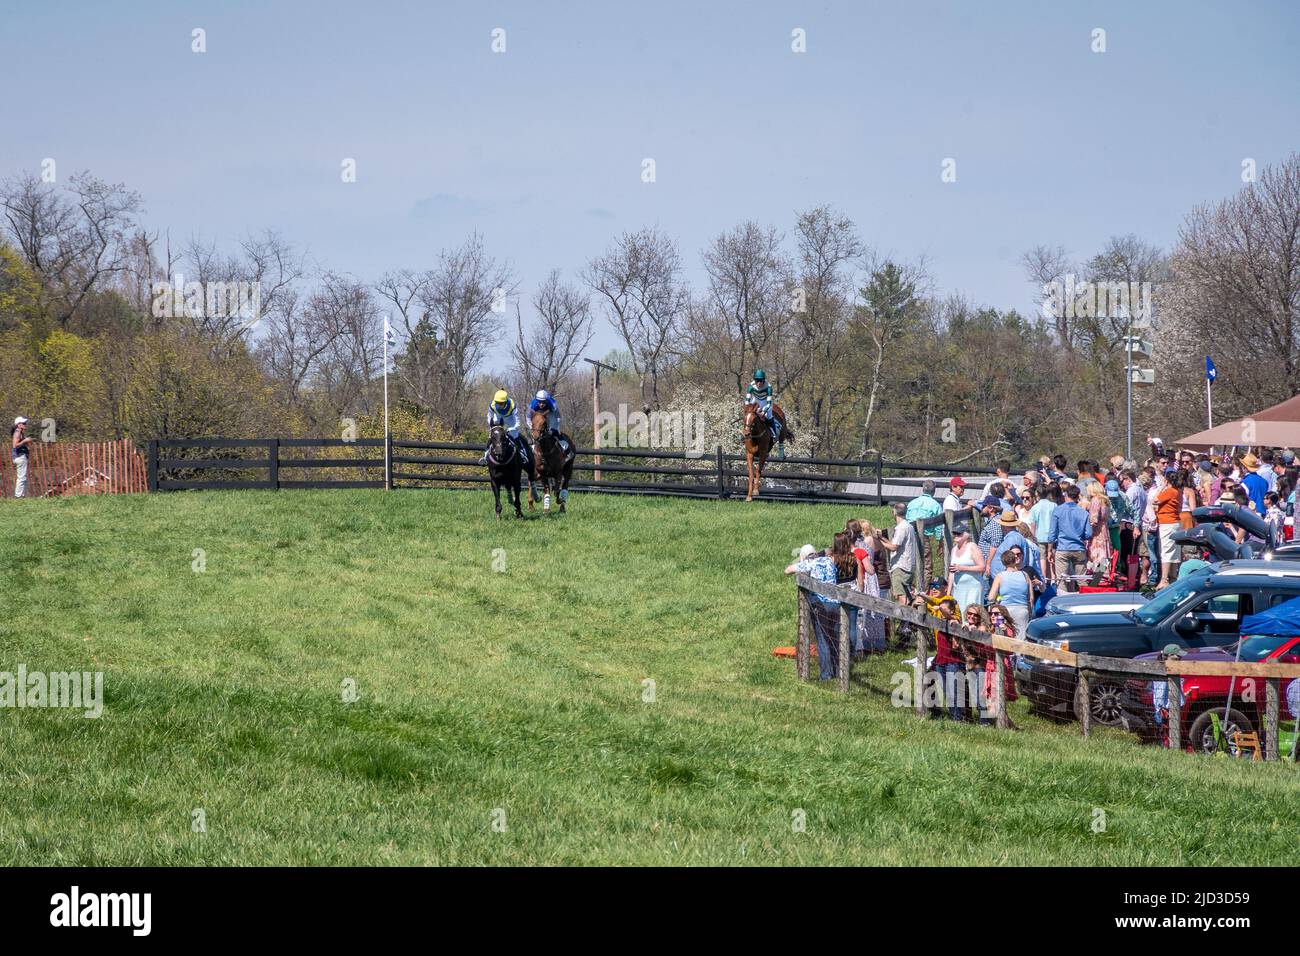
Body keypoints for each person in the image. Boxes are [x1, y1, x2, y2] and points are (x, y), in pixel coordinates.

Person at [785, 544, 843, 681]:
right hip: (835, 604)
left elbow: (787, 570)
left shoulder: (807, 564)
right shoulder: (828, 560)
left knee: (823, 640)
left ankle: (826, 674)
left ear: (804, 557)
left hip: (821, 605)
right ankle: (839, 670)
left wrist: (801, 563)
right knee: (835, 638)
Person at [850, 520, 887, 652]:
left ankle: (873, 643)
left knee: (871, 611)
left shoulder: (866, 541)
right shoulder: (859, 542)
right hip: (866, 575)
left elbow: (868, 564)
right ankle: (865, 643)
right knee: (865, 613)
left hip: (866, 577)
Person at [1047, 484, 1092, 592]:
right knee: (1081, 579)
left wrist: (1049, 550)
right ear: (1077, 497)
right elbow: (1089, 534)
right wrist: (1079, 536)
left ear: (1065, 495)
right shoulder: (1083, 512)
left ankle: (1061, 603)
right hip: (1078, 548)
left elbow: (1052, 533)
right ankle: (1085, 601)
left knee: (1061, 580)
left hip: (1063, 548)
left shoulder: (1058, 510)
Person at [483, 389, 535, 473]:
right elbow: (489, 416)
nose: (499, 405)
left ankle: (522, 455)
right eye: (498, 402)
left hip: (510, 419)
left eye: (501, 403)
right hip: (498, 418)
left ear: (506, 401)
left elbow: (517, 422)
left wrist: (512, 428)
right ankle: (485, 456)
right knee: (492, 435)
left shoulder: (512, 405)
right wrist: (492, 425)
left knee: (515, 436)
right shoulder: (492, 405)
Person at [988, 548, 1034, 640]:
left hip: (1005, 611)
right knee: (1021, 638)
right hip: (1022, 610)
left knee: (1004, 637)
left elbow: (991, 597)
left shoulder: (1000, 576)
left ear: (1003, 562)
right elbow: (1031, 598)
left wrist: (999, 598)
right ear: (1015, 560)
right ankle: (1019, 654)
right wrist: (1029, 612)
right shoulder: (1025, 575)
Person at [879, 502, 919, 604]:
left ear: (895, 512)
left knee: (900, 595)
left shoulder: (901, 528)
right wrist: (881, 538)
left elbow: (893, 547)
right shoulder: (908, 526)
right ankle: (911, 616)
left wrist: (878, 542)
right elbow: (895, 544)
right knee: (907, 595)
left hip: (901, 567)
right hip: (908, 566)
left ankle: (906, 618)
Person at [905, 479, 944, 583]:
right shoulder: (935, 505)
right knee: (927, 565)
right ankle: (923, 591)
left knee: (910, 563)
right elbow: (939, 525)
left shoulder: (912, 503)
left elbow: (907, 519)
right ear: (934, 491)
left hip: (909, 536)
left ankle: (911, 589)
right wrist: (940, 542)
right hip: (923, 537)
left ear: (923, 489)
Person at [744, 368, 787, 450]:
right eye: (757, 380)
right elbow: (747, 400)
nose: (759, 383)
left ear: (764, 380)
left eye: (761, 380)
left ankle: (774, 434)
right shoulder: (751, 386)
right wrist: (748, 409)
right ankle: (744, 433)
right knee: (748, 417)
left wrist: (763, 412)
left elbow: (769, 403)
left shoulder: (769, 387)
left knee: (770, 417)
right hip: (755, 400)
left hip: (765, 402)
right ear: (755, 380)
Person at [947, 524, 986, 613]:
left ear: (966, 535)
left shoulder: (972, 547)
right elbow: (951, 572)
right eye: (954, 533)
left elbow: (982, 567)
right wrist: (949, 593)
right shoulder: (954, 550)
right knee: (959, 613)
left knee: (972, 613)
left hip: (973, 588)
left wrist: (962, 568)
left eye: (959, 533)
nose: (956, 535)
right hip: (958, 589)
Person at [1154, 470, 1183, 589]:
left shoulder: (1170, 491)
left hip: (1168, 523)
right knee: (1174, 551)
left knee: (1166, 551)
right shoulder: (1178, 491)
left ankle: (1164, 579)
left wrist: (1163, 487)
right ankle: (1172, 577)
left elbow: (1156, 500)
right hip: (1174, 523)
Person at [1029, 483, 1059, 581]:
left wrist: (1033, 538)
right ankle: (1054, 578)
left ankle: (1044, 578)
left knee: (1042, 558)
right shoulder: (1054, 505)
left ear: (1037, 494)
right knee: (1052, 557)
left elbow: (1033, 525)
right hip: (1053, 536)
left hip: (1039, 536)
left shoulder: (1035, 507)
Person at [11, 416, 33, 497]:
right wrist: (25, 441)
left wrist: (26, 443)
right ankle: (18, 496)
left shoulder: (20, 432)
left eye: (25, 423)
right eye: (23, 423)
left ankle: (22, 495)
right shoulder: (17, 432)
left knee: (24, 477)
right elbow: (15, 445)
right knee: (22, 477)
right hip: (20, 457)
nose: (25, 424)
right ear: (18, 424)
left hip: (21, 457)